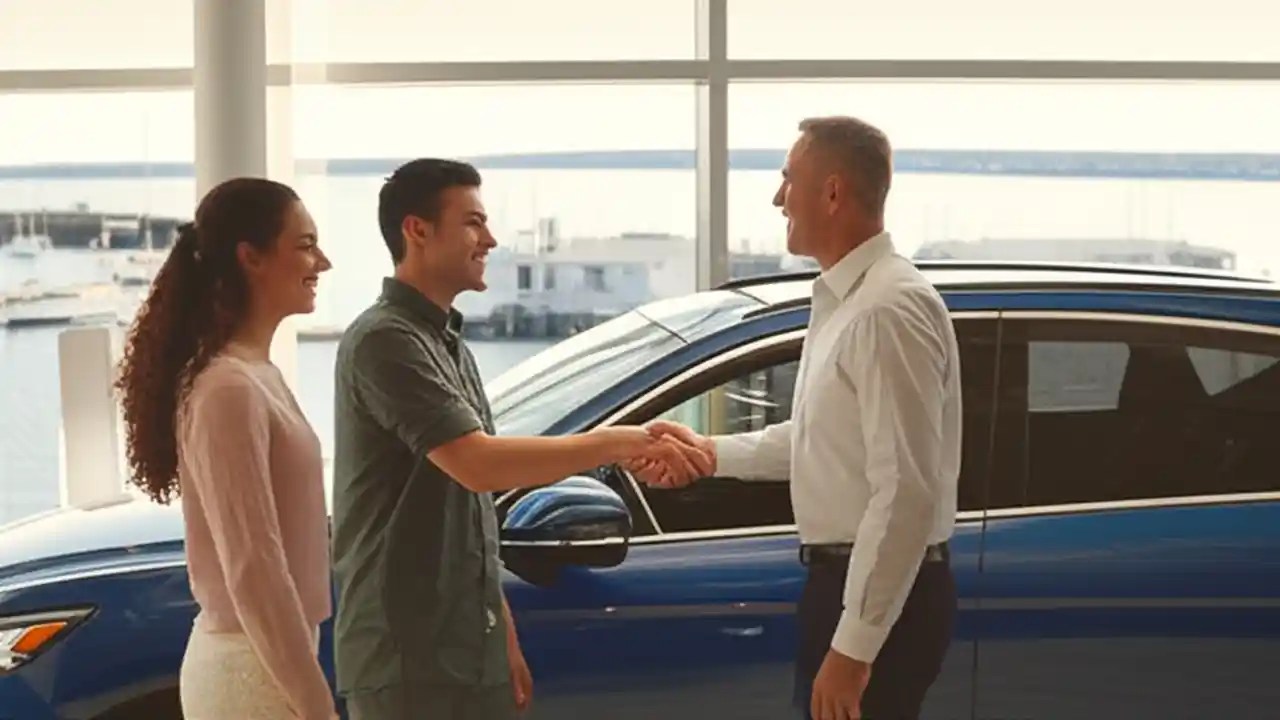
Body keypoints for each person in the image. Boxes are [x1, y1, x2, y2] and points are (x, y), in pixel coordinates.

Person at [330, 158, 705, 720]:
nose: (491, 239)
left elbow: (472, 509)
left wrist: (499, 635)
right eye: (474, 222)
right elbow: (478, 465)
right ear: (418, 230)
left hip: (467, 650)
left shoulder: (449, 343)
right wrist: (617, 443)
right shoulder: (384, 341)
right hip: (408, 658)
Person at [635, 116, 962, 719]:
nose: (778, 197)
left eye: (789, 180)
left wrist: (855, 649)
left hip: (879, 598)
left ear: (833, 193)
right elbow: (824, 443)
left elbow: (905, 491)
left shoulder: (887, 309)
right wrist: (710, 453)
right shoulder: (848, 301)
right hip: (847, 587)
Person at [113, 177, 338, 720]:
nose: (323, 262)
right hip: (251, 675)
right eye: (305, 245)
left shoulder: (257, 374)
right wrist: (316, 705)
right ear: (251, 258)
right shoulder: (227, 388)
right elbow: (252, 567)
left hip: (270, 662)